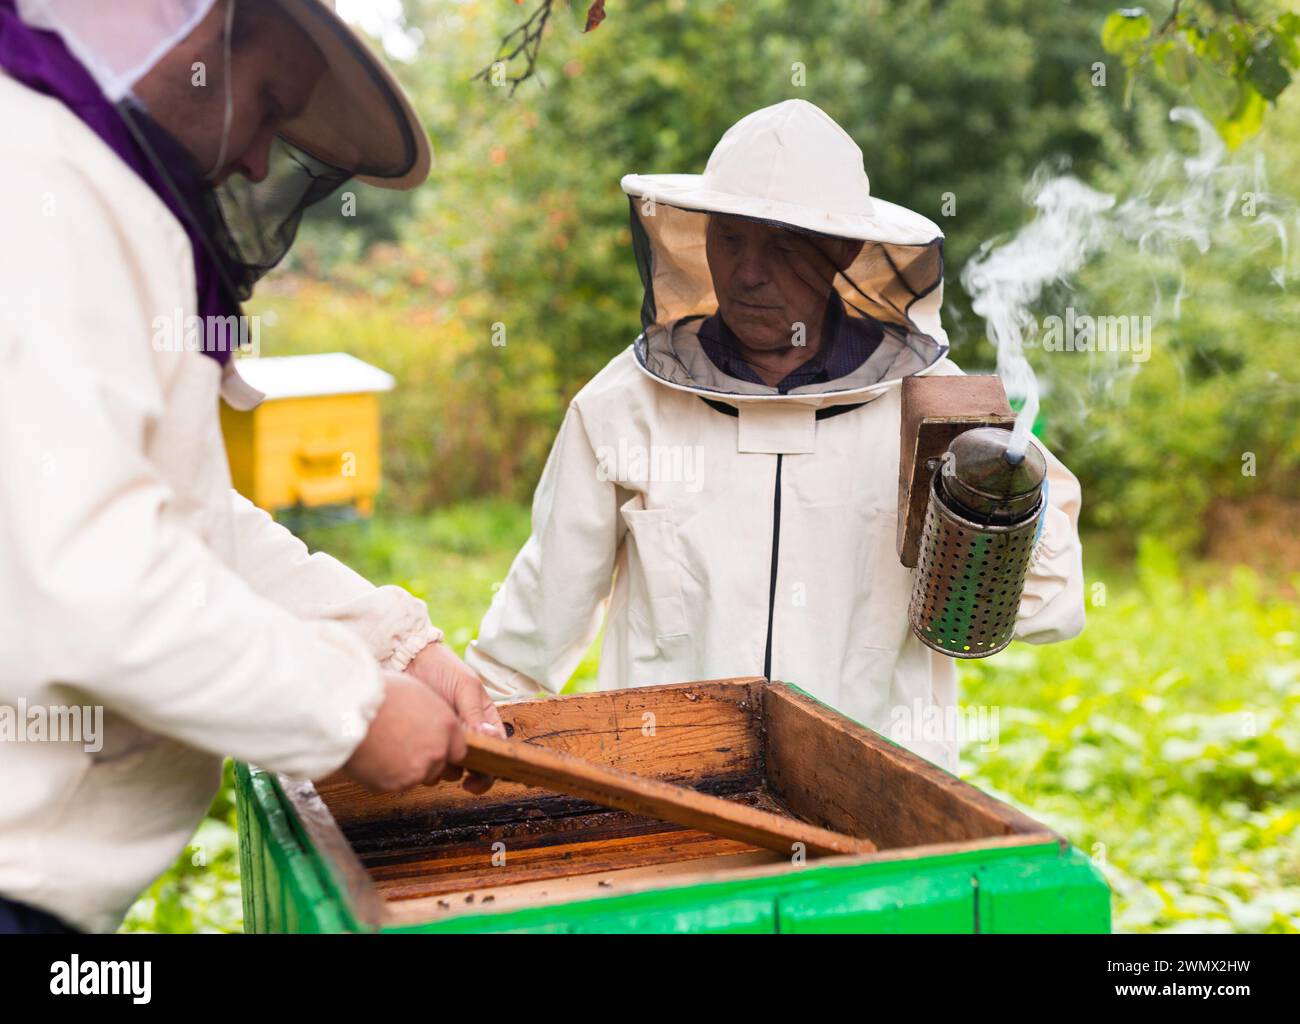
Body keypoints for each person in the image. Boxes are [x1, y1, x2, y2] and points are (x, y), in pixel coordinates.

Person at [0, 0, 499, 934]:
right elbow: (95, 575)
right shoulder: (38, 182)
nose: (264, 160)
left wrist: (397, 643)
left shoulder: (66, 176)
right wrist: (351, 712)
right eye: (268, 104)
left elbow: (185, 520)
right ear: (191, 32)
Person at [466, 100, 1086, 772]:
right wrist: (479, 732)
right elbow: (536, 620)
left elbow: (1048, 609)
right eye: (731, 238)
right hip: (673, 789)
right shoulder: (624, 405)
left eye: (782, 244)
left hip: (879, 796)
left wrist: (1000, 505)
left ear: (843, 250)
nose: (748, 271)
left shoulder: (940, 411)